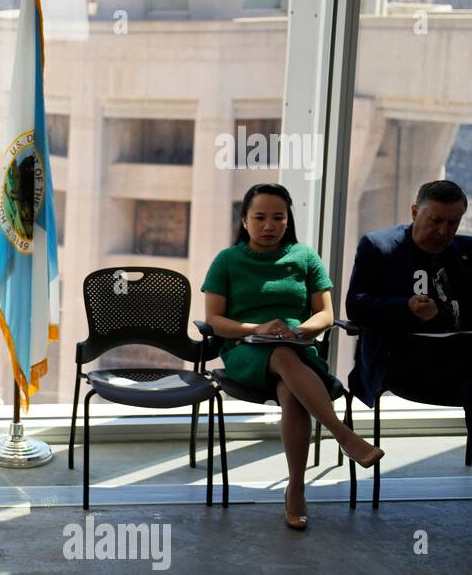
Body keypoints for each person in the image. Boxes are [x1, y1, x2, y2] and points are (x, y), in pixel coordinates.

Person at [202, 183, 382, 530]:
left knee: (291, 388)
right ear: (244, 220)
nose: (269, 225)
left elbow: (326, 316)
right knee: (283, 357)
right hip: (245, 351)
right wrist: (258, 328)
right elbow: (214, 320)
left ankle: (295, 489)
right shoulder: (227, 260)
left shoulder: (304, 257)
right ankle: (343, 437)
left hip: (299, 350)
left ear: (288, 220)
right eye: (259, 217)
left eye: (278, 217)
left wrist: (299, 331)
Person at [346, 179, 472, 409]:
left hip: (462, 355)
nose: (444, 231)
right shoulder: (379, 246)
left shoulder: (467, 251)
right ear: (415, 212)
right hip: (404, 359)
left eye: (453, 223)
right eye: (435, 221)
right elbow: (355, 306)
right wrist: (405, 307)